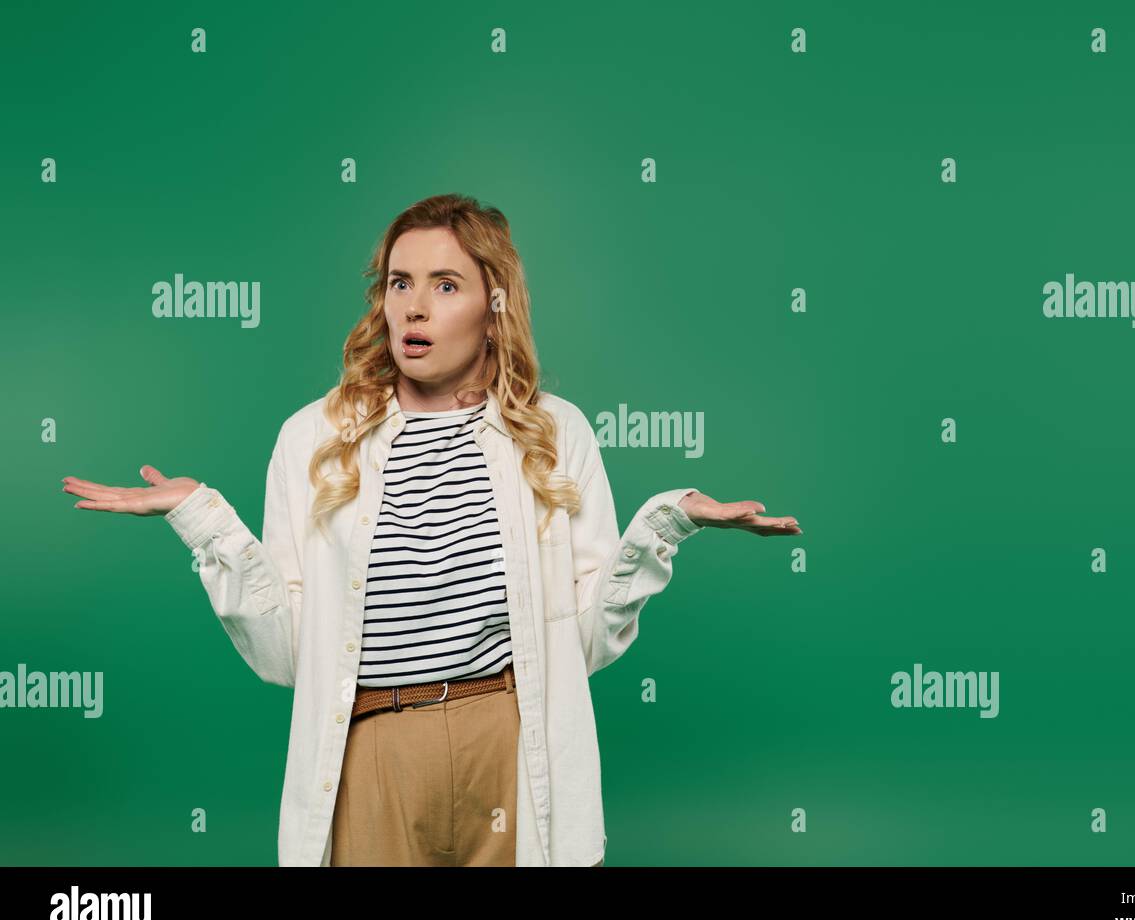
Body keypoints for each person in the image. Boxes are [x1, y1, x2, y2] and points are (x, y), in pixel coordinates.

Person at [61, 193, 802, 867]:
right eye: (399, 282)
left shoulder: (553, 433)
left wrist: (666, 525)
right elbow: (289, 655)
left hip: (509, 740)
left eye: (445, 285)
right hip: (374, 751)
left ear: (494, 304)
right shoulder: (312, 439)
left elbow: (584, 642)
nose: (414, 307)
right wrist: (204, 523)